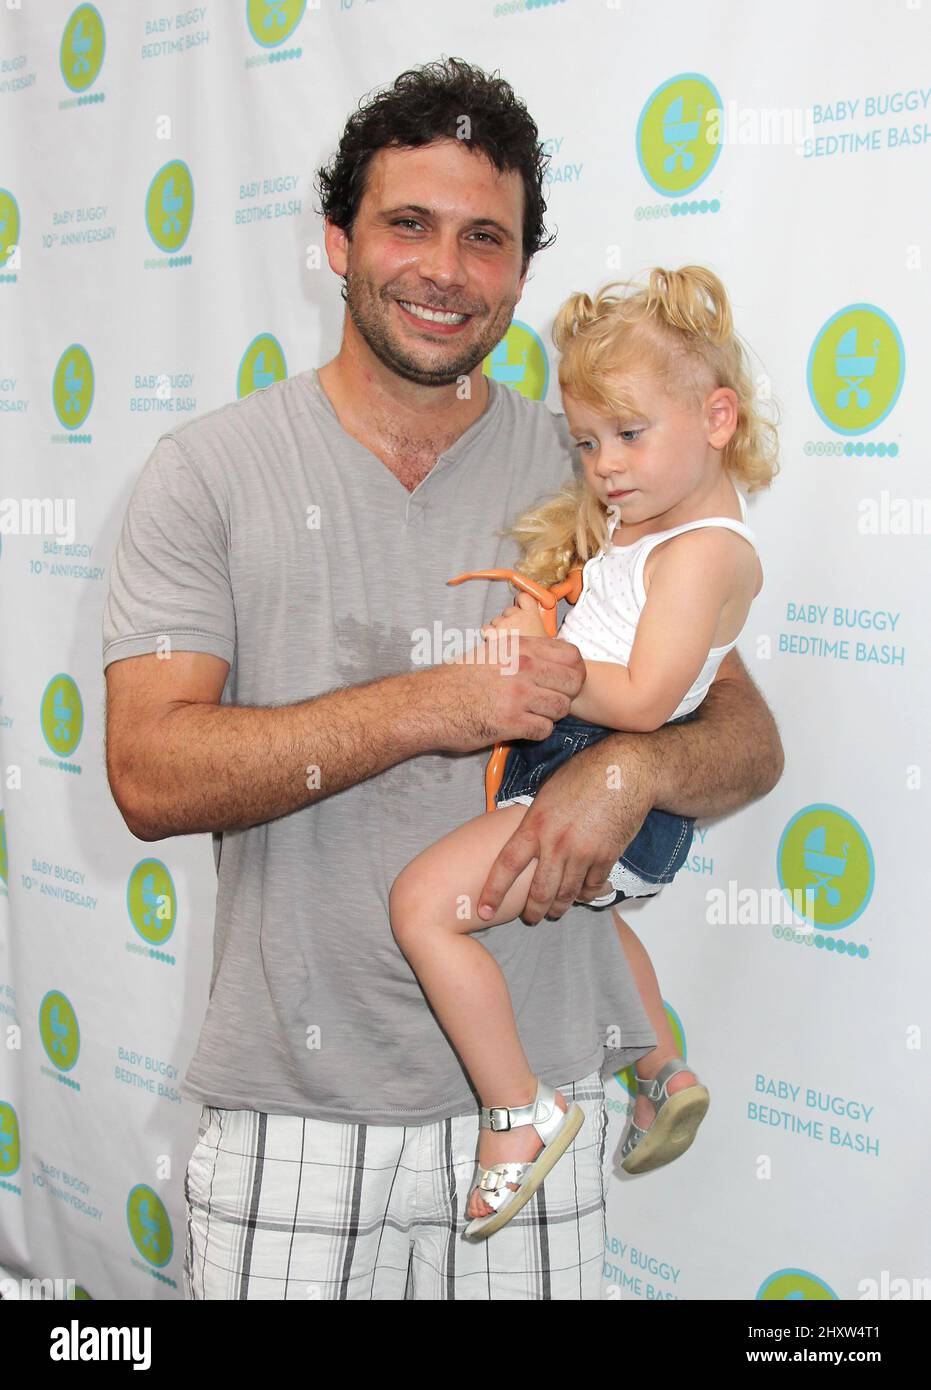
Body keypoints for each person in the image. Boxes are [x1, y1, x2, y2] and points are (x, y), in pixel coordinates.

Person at [102, 58, 783, 1300]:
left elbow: (740, 736)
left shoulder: (598, 460)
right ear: (335, 241)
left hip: (549, 1096)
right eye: (407, 224)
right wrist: (437, 704)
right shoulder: (207, 472)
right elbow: (149, 773)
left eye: (487, 238)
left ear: (522, 271)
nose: (445, 269)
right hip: (291, 1113)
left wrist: (628, 769)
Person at [389, 264, 777, 1239]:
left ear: (717, 417)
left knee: (423, 909)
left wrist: (536, 667)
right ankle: (658, 1070)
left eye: (630, 435)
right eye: (589, 441)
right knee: (595, 925)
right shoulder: (653, 526)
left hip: (596, 766)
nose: (603, 465)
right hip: (587, 771)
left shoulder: (705, 552)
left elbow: (646, 696)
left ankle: (517, 1113)